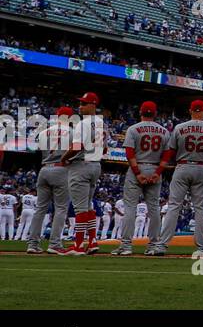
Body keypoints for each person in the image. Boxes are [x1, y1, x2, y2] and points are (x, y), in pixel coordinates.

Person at [155, 99, 203, 256]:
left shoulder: (179, 127)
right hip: (201, 167)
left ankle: (162, 246)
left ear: (190, 110)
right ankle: (202, 248)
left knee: (174, 206)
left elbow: (171, 151)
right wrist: (201, 163)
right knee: (200, 209)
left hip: (182, 165)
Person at [115, 101, 169, 256]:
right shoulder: (164, 131)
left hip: (137, 167)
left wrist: (138, 172)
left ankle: (126, 246)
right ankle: (153, 245)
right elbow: (167, 155)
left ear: (140, 112)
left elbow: (130, 153)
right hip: (154, 168)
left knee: (130, 207)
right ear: (155, 113)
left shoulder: (133, 129)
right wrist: (158, 172)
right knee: (154, 210)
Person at [62, 92, 107, 254]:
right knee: (88, 206)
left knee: (80, 208)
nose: (80, 107)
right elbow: (106, 149)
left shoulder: (83, 123)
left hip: (81, 165)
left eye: (84, 104)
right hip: (95, 165)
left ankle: (79, 245)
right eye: (80, 103)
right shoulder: (101, 122)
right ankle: (93, 242)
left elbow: (77, 146)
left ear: (93, 105)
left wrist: (64, 158)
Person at [26, 107, 74, 254]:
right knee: (60, 209)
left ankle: (32, 244)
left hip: (44, 169)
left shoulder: (43, 132)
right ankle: (54, 243)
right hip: (62, 169)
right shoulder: (73, 132)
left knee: (40, 209)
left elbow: (36, 153)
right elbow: (76, 153)